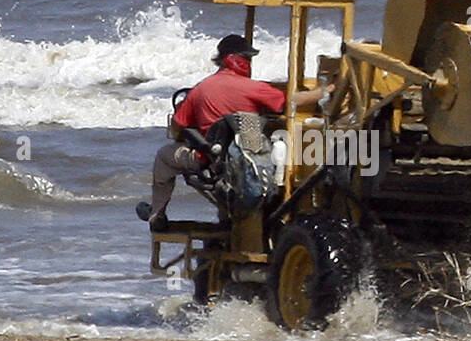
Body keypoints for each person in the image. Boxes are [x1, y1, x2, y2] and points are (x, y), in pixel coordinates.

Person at [137, 33, 332, 229]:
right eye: (247, 58)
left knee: (164, 156)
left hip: (209, 161)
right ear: (236, 60)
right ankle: (230, 218)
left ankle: (157, 214)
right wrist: (323, 91)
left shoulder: (201, 89)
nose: (248, 63)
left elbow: (177, 126)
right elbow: (289, 102)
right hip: (247, 160)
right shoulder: (254, 88)